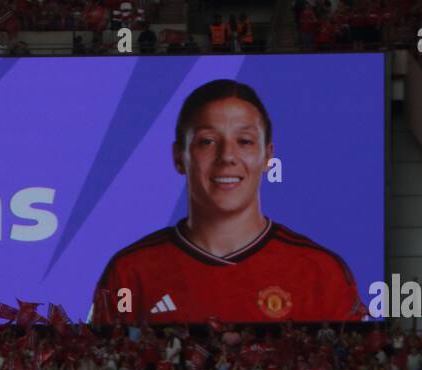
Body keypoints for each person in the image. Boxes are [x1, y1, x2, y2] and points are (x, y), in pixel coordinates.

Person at [90, 79, 364, 324]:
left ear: (268, 156)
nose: (227, 156)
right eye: (207, 141)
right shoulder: (130, 271)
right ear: (179, 156)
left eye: (244, 141)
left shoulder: (321, 272)